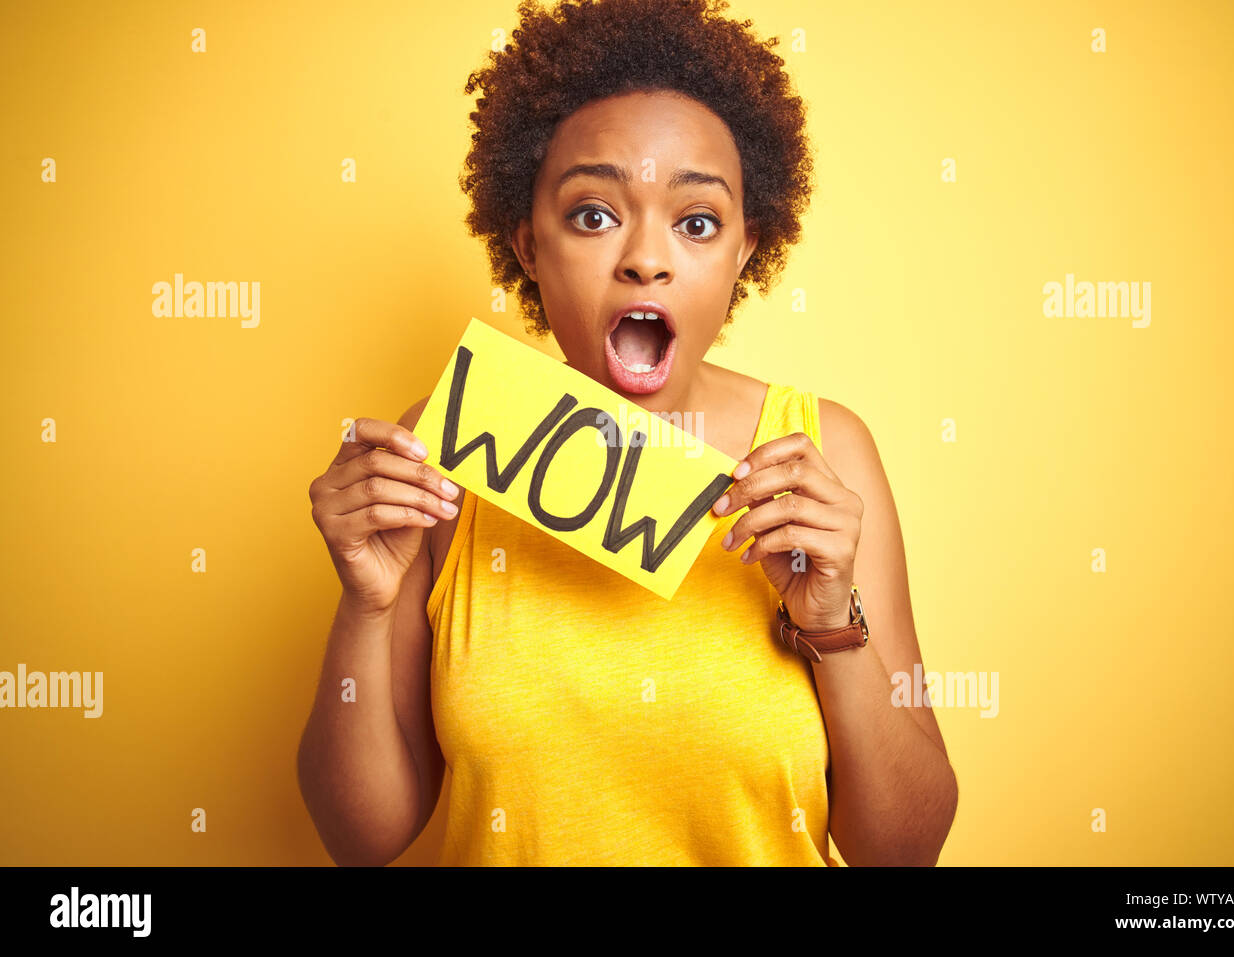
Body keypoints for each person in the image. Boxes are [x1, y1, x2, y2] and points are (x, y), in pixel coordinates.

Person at [298, 0, 957, 866]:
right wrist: (365, 604)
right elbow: (362, 837)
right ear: (528, 243)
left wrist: (831, 621)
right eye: (594, 215)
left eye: (695, 222)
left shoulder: (823, 453)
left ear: (744, 251)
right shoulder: (447, 452)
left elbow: (903, 851)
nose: (647, 257)